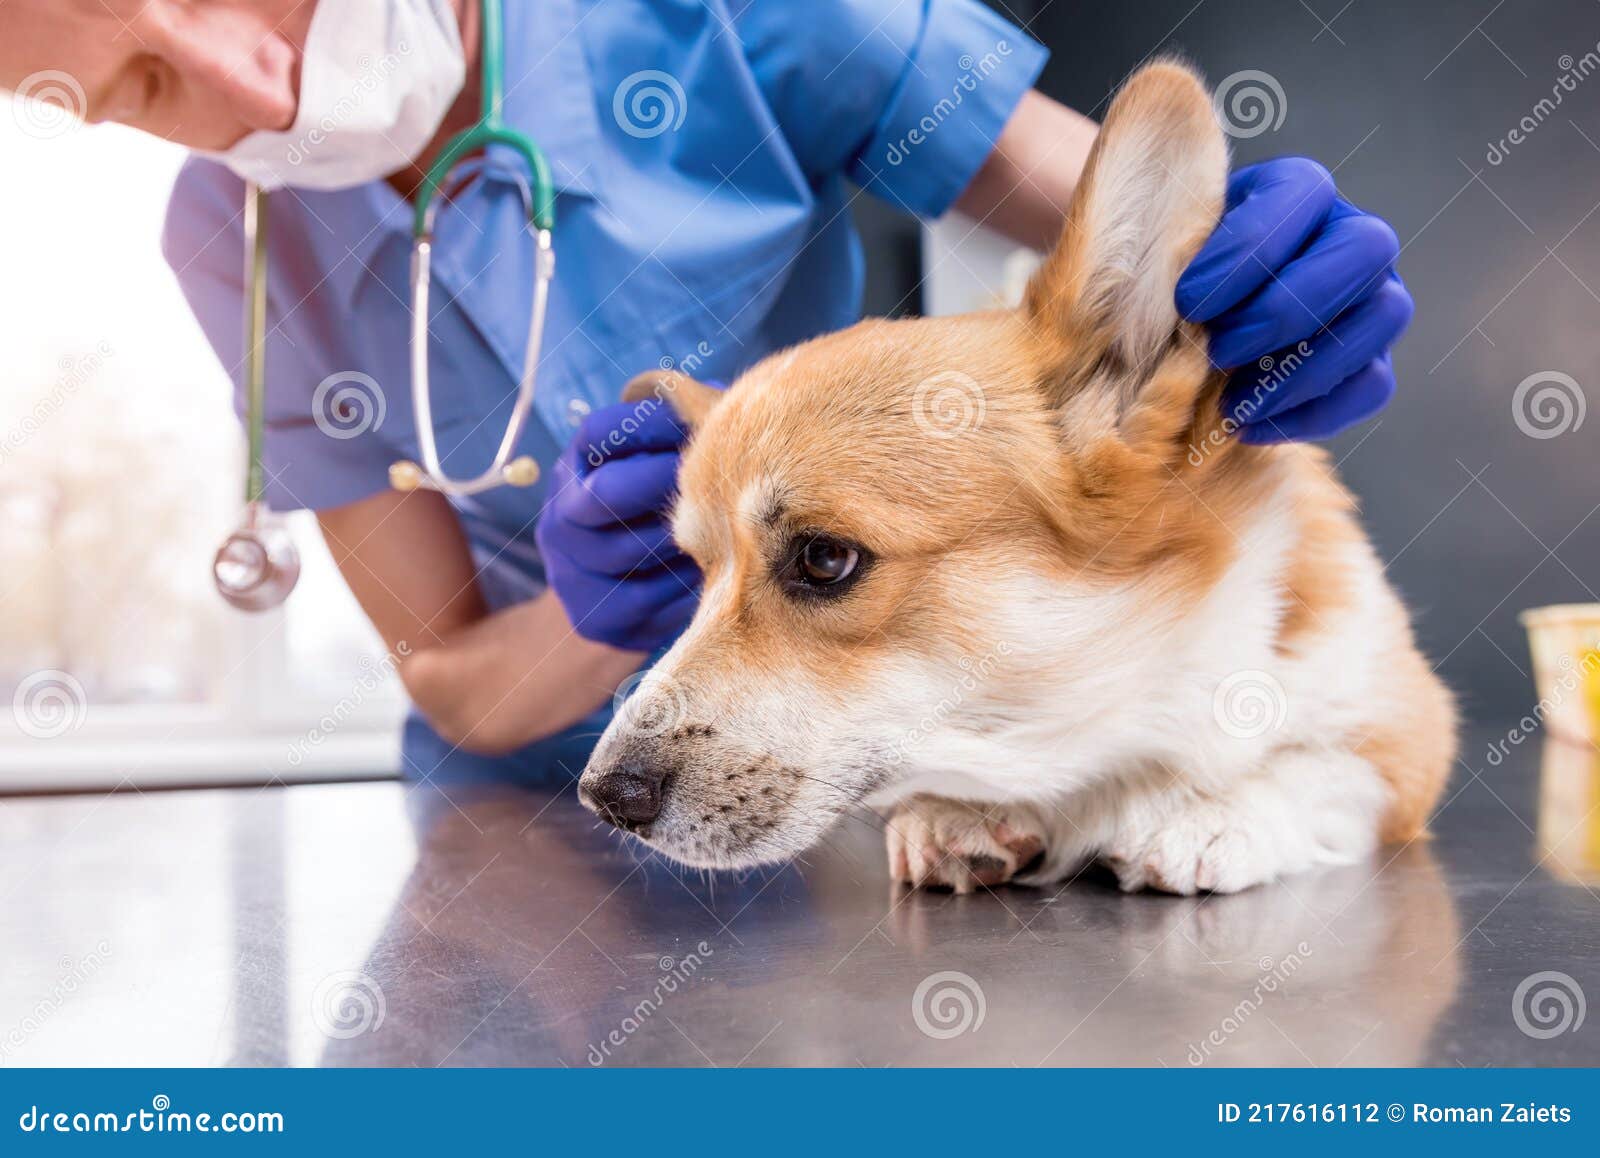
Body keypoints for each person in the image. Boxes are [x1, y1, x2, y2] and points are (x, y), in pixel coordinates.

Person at [0, 0, 1413, 786]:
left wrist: (1252, 282)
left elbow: (1115, 234)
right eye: (134, 84)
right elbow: (449, 676)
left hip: (857, 727)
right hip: (515, 802)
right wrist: (614, 615)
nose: (244, 72)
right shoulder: (232, 245)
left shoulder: (722, 16)